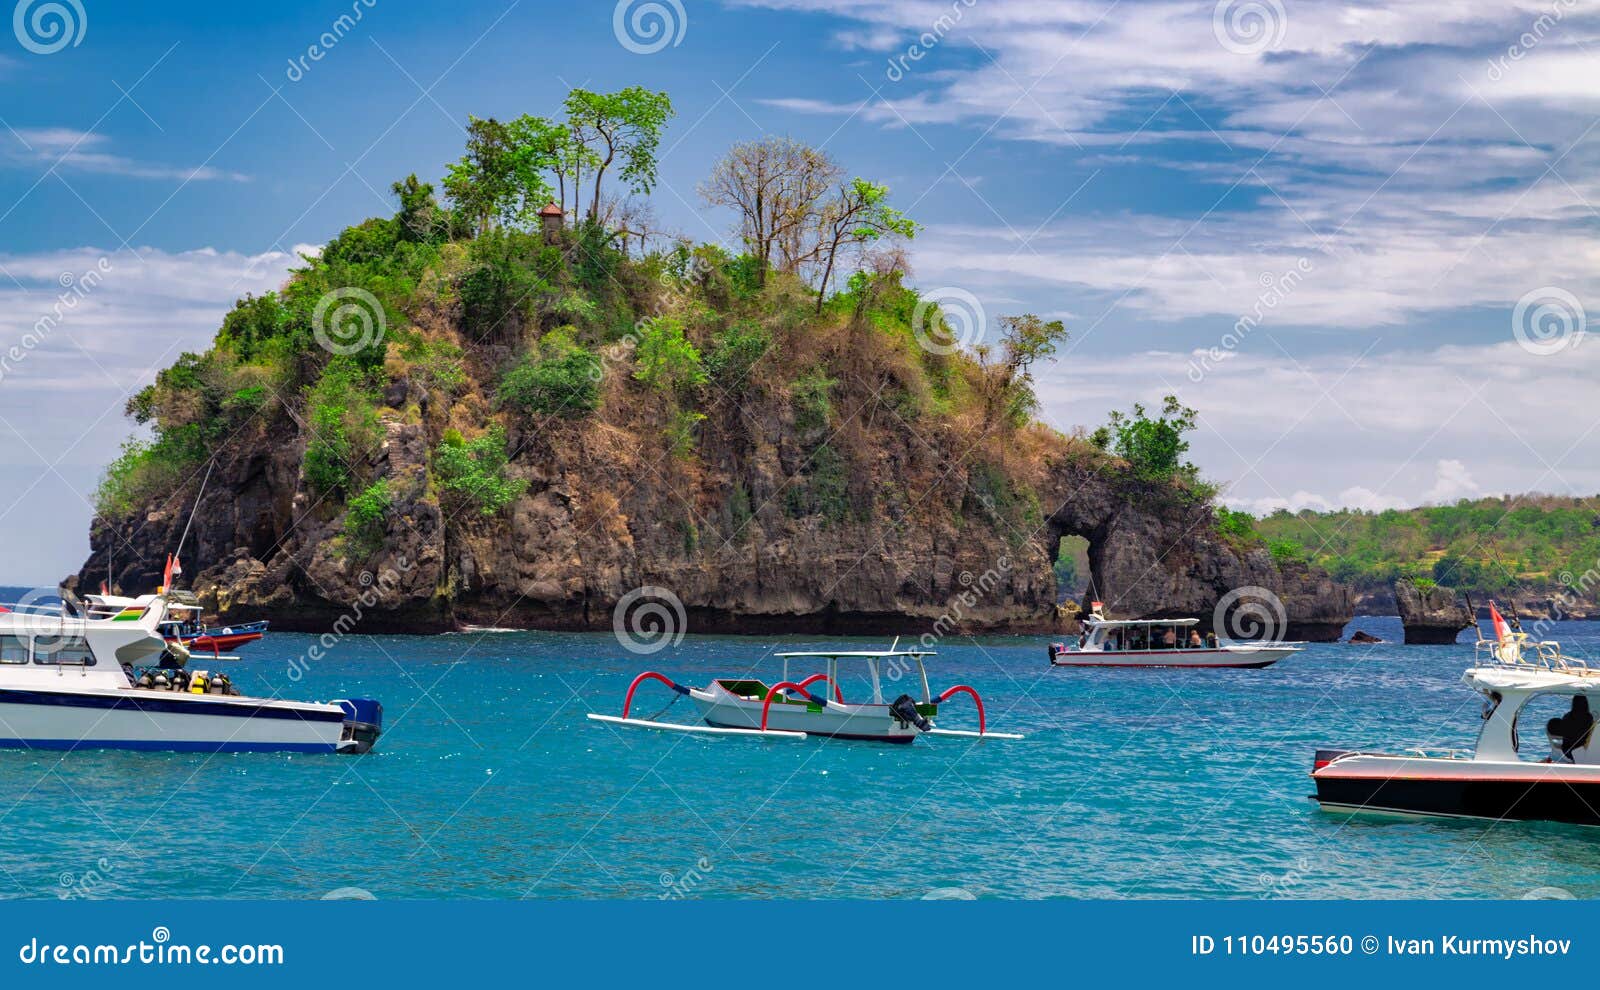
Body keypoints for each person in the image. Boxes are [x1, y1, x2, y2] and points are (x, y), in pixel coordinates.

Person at [1550, 696, 1595, 762]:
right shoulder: (1589, 717)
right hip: (1583, 749)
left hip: (1567, 751)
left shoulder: (1567, 716)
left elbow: (1563, 733)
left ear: (1573, 704)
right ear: (1586, 704)